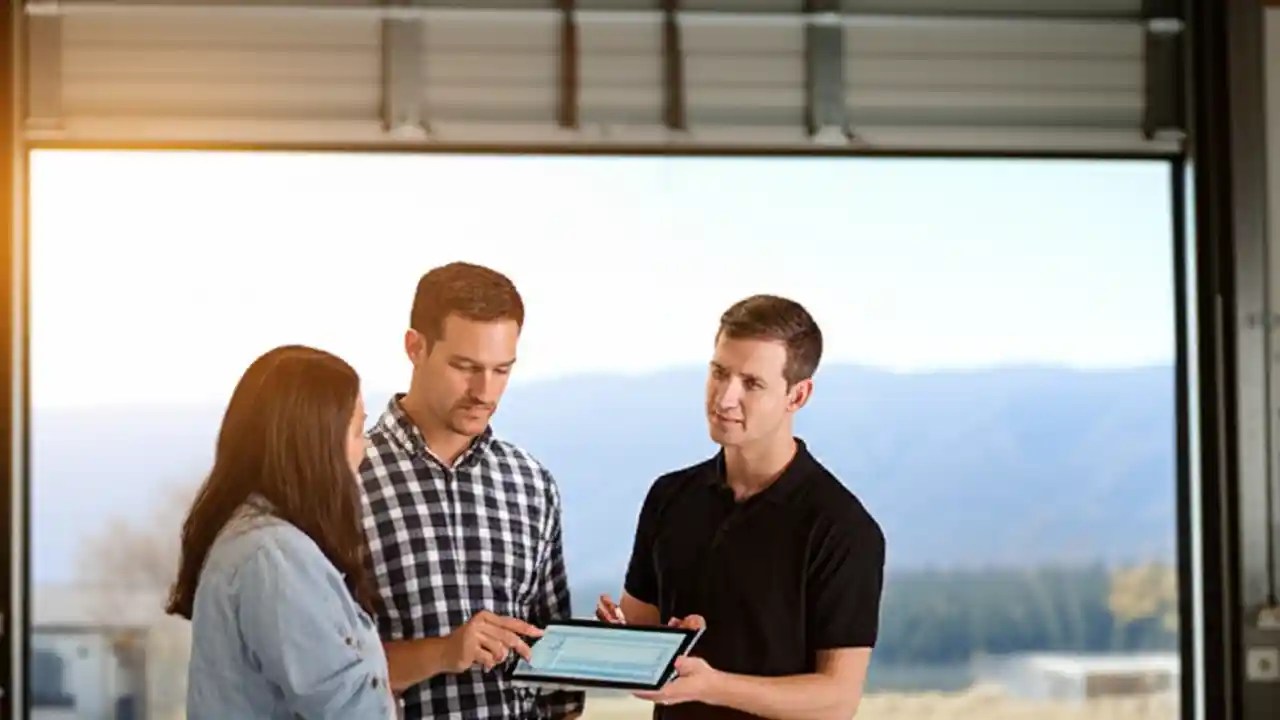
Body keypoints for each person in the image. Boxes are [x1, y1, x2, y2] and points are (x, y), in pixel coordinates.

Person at [598, 294, 886, 720]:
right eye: (718, 373)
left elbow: (837, 699)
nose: (725, 398)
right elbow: (642, 630)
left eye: (752, 383)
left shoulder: (842, 528)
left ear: (798, 396)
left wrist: (716, 686)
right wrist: (623, 642)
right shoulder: (669, 497)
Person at [360, 261, 584, 719]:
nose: (485, 391)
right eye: (465, 367)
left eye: (502, 370)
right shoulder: (344, 478)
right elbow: (316, 668)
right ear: (414, 347)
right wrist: (445, 651)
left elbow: (558, 685)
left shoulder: (531, 484)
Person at [169, 344, 395, 720]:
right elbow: (346, 708)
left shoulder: (262, 544)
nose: (366, 449)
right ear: (318, 442)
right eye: (357, 431)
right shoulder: (274, 557)